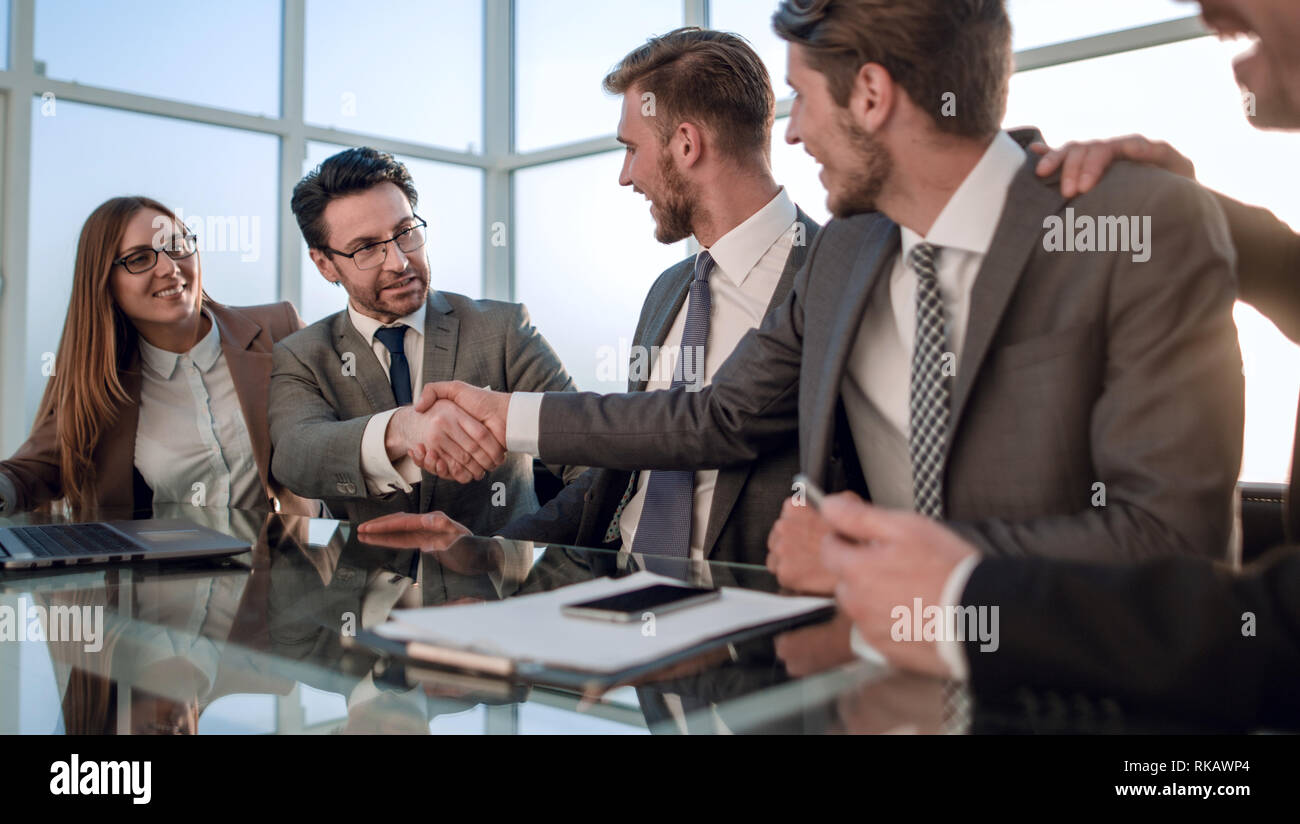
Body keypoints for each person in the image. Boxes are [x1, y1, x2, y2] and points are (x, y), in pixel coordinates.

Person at [413, 0, 1244, 583]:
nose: (796, 130)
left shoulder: (1133, 220)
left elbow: (1172, 544)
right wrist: (506, 415)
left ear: (872, 96)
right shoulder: (847, 254)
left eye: (803, 100)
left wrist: (892, 574)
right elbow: (717, 416)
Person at [817, 0, 1300, 730]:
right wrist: (1190, 210)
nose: (1204, 13)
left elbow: (1228, 592)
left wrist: (950, 596)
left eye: (799, 98)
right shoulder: (843, 253)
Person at [366, 28, 821, 570]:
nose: (626, 176)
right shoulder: (670, 291)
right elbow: (627, 471)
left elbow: (707, 424)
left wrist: (505, 414)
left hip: (743, 619)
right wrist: (494, 549)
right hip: (611, 592)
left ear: (686, 143)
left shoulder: (824, 275)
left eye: (631, 150)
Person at [268, 147, 583, 533]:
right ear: (324, 264)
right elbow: (295, 456)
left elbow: (591, 460)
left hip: (501, 587)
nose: (398, 262)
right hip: (363, 589)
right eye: (367, 248)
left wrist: (509, 551)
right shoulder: (302, 356)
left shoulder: (502, 330)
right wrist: (403, 428)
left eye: (405, 232)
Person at [0, 196, 316, 517]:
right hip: (167, 565)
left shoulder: (277, 329)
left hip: (283, 561)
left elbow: (340, 428)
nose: (169, 268)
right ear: (104, 283)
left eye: (177, 246)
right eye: (138, 259)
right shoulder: (102, 379)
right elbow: (34, 469)